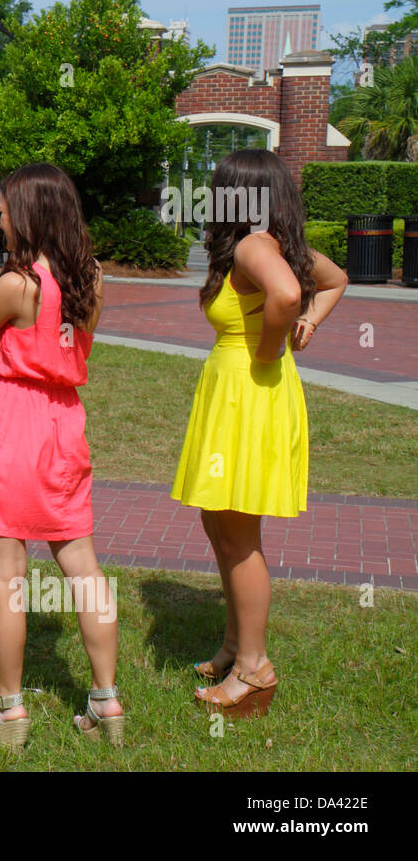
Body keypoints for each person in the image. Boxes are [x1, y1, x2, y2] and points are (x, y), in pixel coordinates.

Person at [172, 149, 347, 719]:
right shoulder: (275, 245)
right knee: (219, 522)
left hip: (249, 395)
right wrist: (310, 323)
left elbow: (289, 295)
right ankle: (234, 644)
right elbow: (335, 280)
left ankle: (254, 669)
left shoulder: (253, 246)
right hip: (240, 395)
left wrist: (274, 343)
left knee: (238, 534)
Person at [0, 162, 118, 750]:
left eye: (6, 210)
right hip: (64, 423)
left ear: (30, 214)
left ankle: (9, 711)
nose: (0, 219)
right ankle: (106, 700)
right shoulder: (91, 277)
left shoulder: (18, 285)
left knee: (6, 576)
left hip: (12, 422)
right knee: (84, 567)